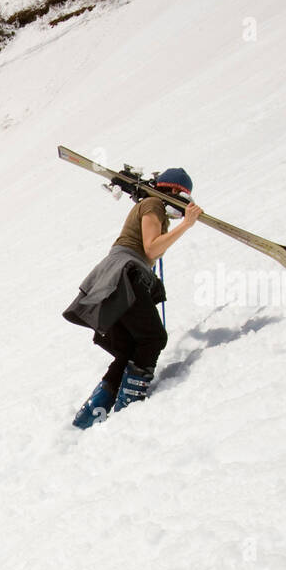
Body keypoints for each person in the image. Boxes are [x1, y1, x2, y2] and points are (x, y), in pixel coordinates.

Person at [63, 168, 203, 428]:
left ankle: (91, 415)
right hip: (126, 275)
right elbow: (151, 247)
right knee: (153, 338)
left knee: (130, 348)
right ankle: (129, 407)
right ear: (173, 191)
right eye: (183, 197)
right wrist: (186, 224)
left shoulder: (152, 208)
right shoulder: (153, 204)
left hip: (112, 277)